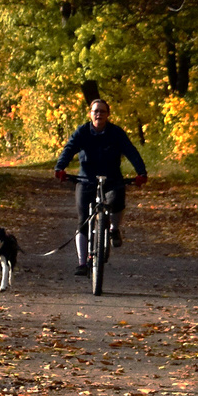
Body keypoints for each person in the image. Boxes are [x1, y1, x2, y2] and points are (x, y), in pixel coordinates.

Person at [54, 99, 147, 275]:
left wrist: (141, 172)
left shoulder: (116, 133)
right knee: (83, 219)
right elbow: (69, 149)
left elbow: (131, 151)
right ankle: (82, 263)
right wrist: (60, 168)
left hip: (112, 178)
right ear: (90, 113)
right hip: (86, 179)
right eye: (95, 111)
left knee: (117, 200)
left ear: (108, 114)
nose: (98, 114)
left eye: (102, 111)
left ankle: (114, 229)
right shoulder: (82, 132)